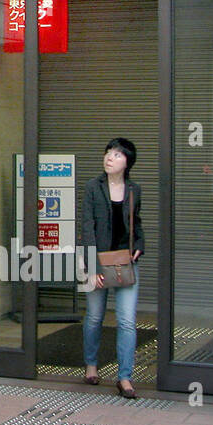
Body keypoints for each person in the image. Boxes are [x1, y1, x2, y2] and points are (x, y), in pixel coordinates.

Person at [78, 136, 145, 398]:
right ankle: (91, 365)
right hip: (96, 259)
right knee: (94, 316)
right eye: (108, 152)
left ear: (127, 162)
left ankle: (125, 377)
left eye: (117, 155)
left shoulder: (134, 189)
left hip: (124, 261)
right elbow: (87, 226)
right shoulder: (93, 187)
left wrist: (140, 243)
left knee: (127, 320)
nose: (110, 157)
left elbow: (136, 222)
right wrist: (93, 267)